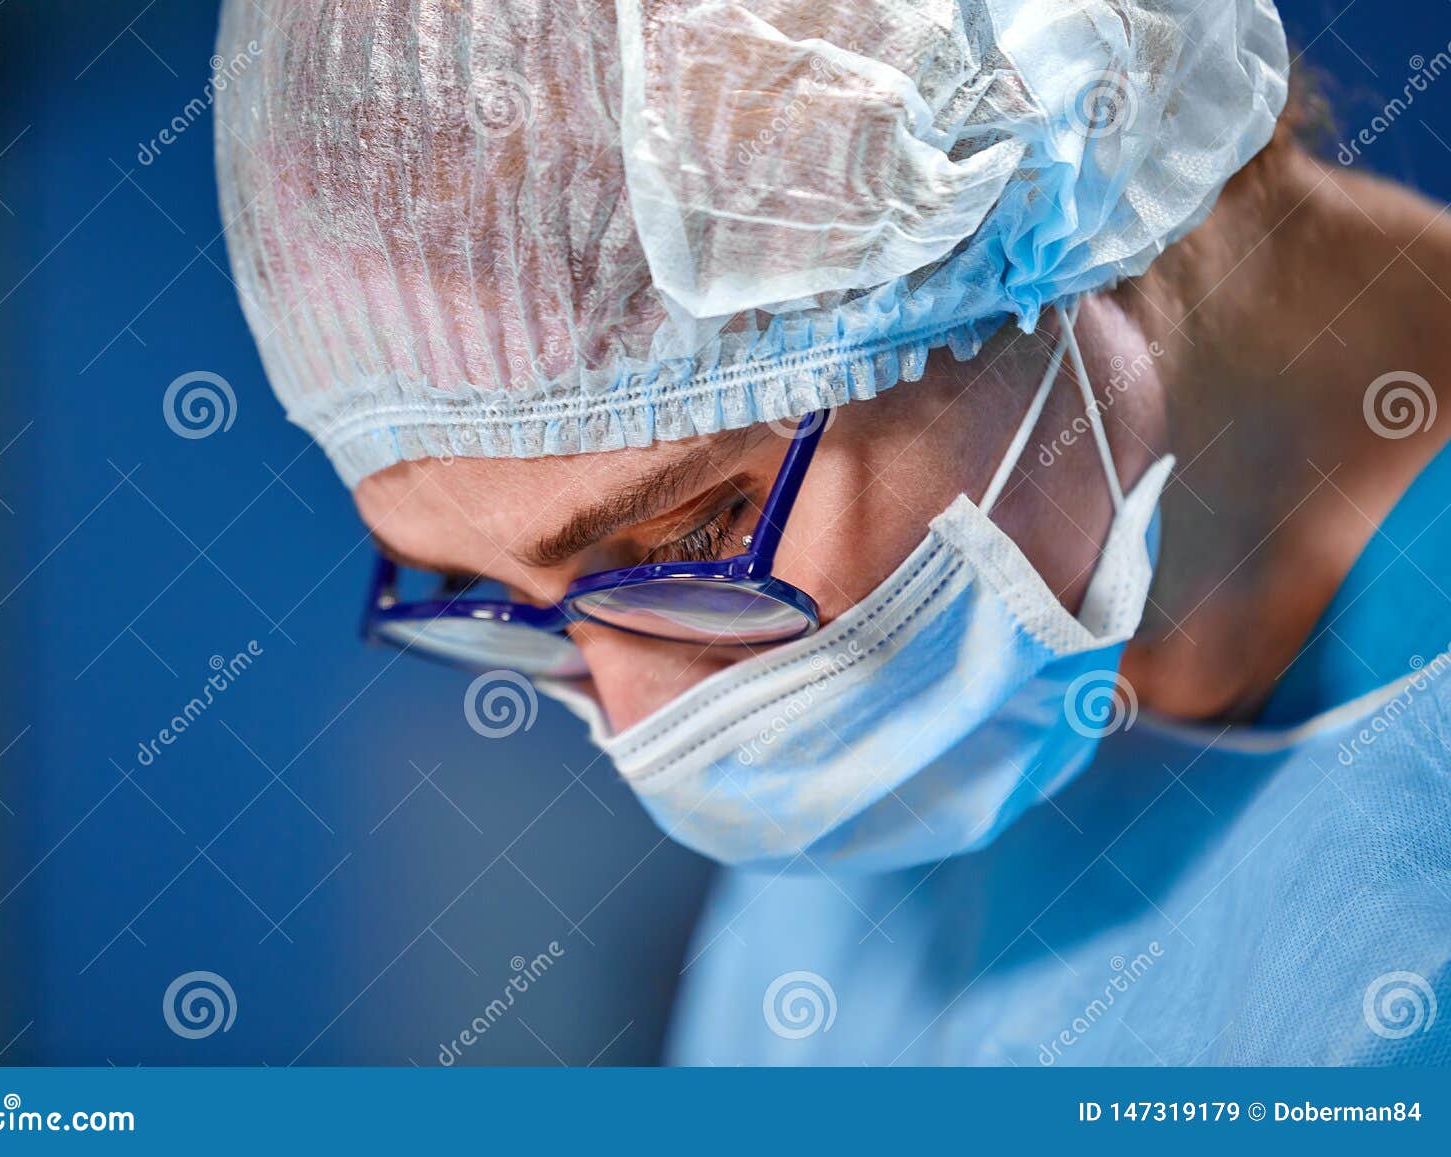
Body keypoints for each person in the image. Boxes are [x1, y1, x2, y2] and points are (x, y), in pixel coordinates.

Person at [215, 0, 1451, 1064]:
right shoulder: (895, 814)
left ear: (1053, 156)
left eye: (693, 529)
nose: (646, 725)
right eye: (498, 598)